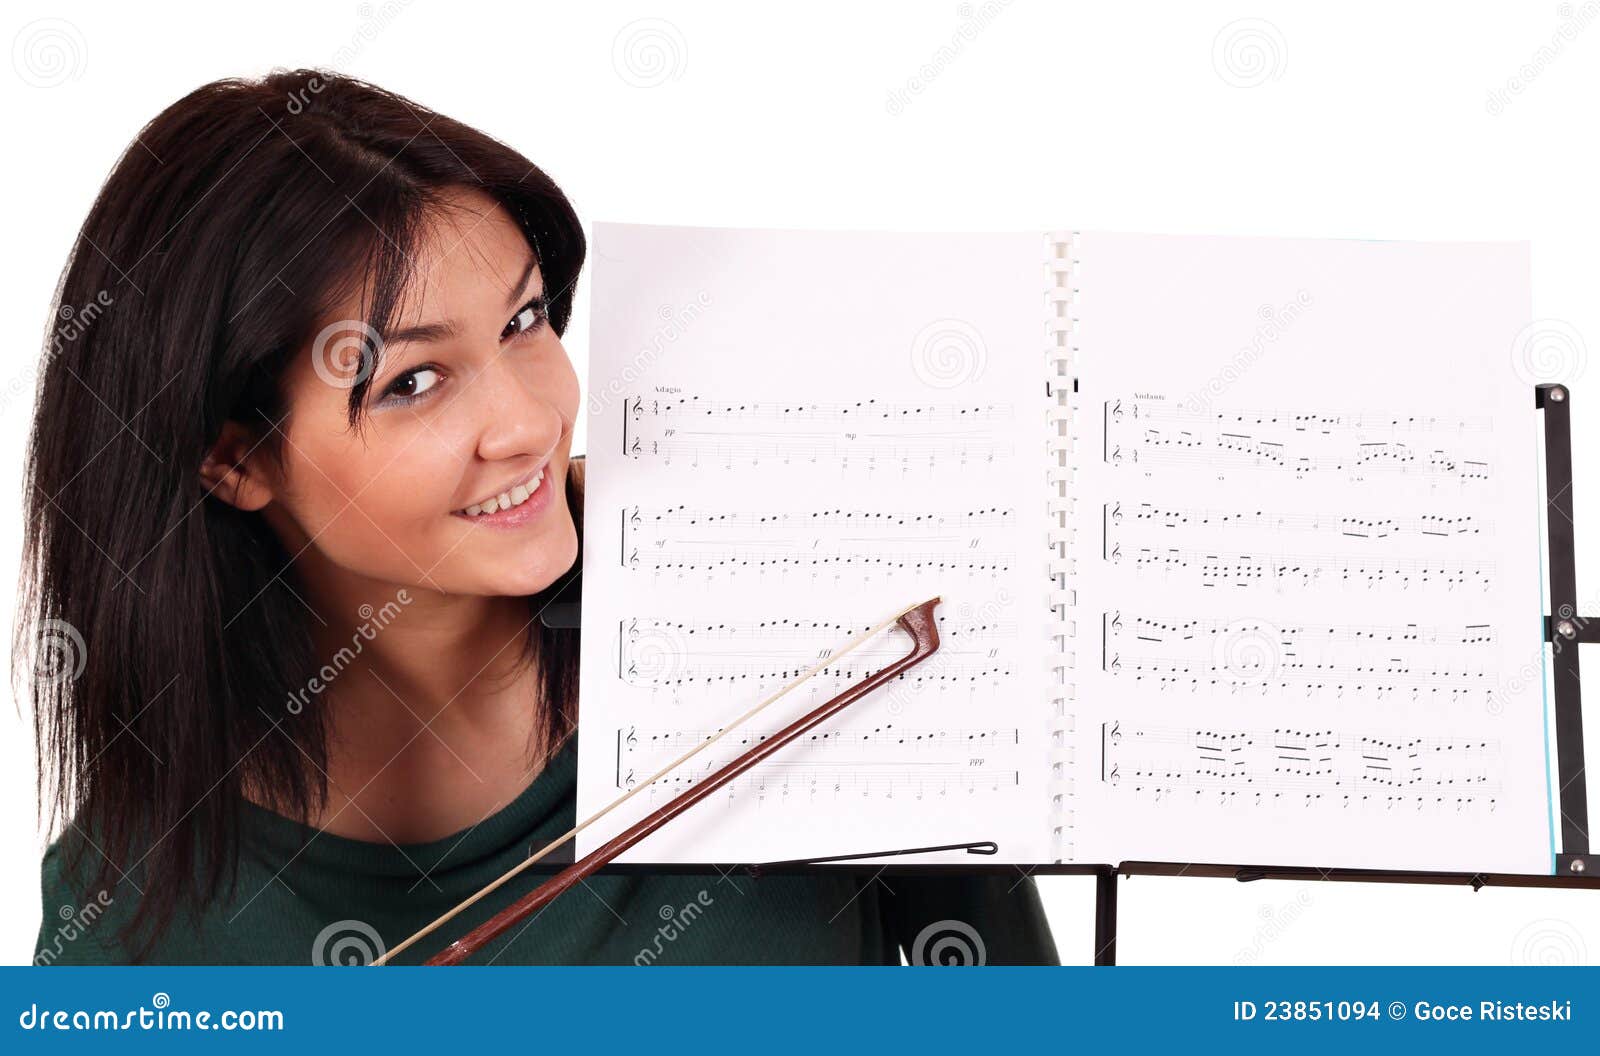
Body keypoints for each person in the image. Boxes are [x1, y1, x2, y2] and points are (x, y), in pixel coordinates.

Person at [22, 68, 1058, 965]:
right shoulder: (132, 911)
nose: (527, 421)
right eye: (415, 382)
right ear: (235, 459)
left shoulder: (824, 633)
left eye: (524, 321)